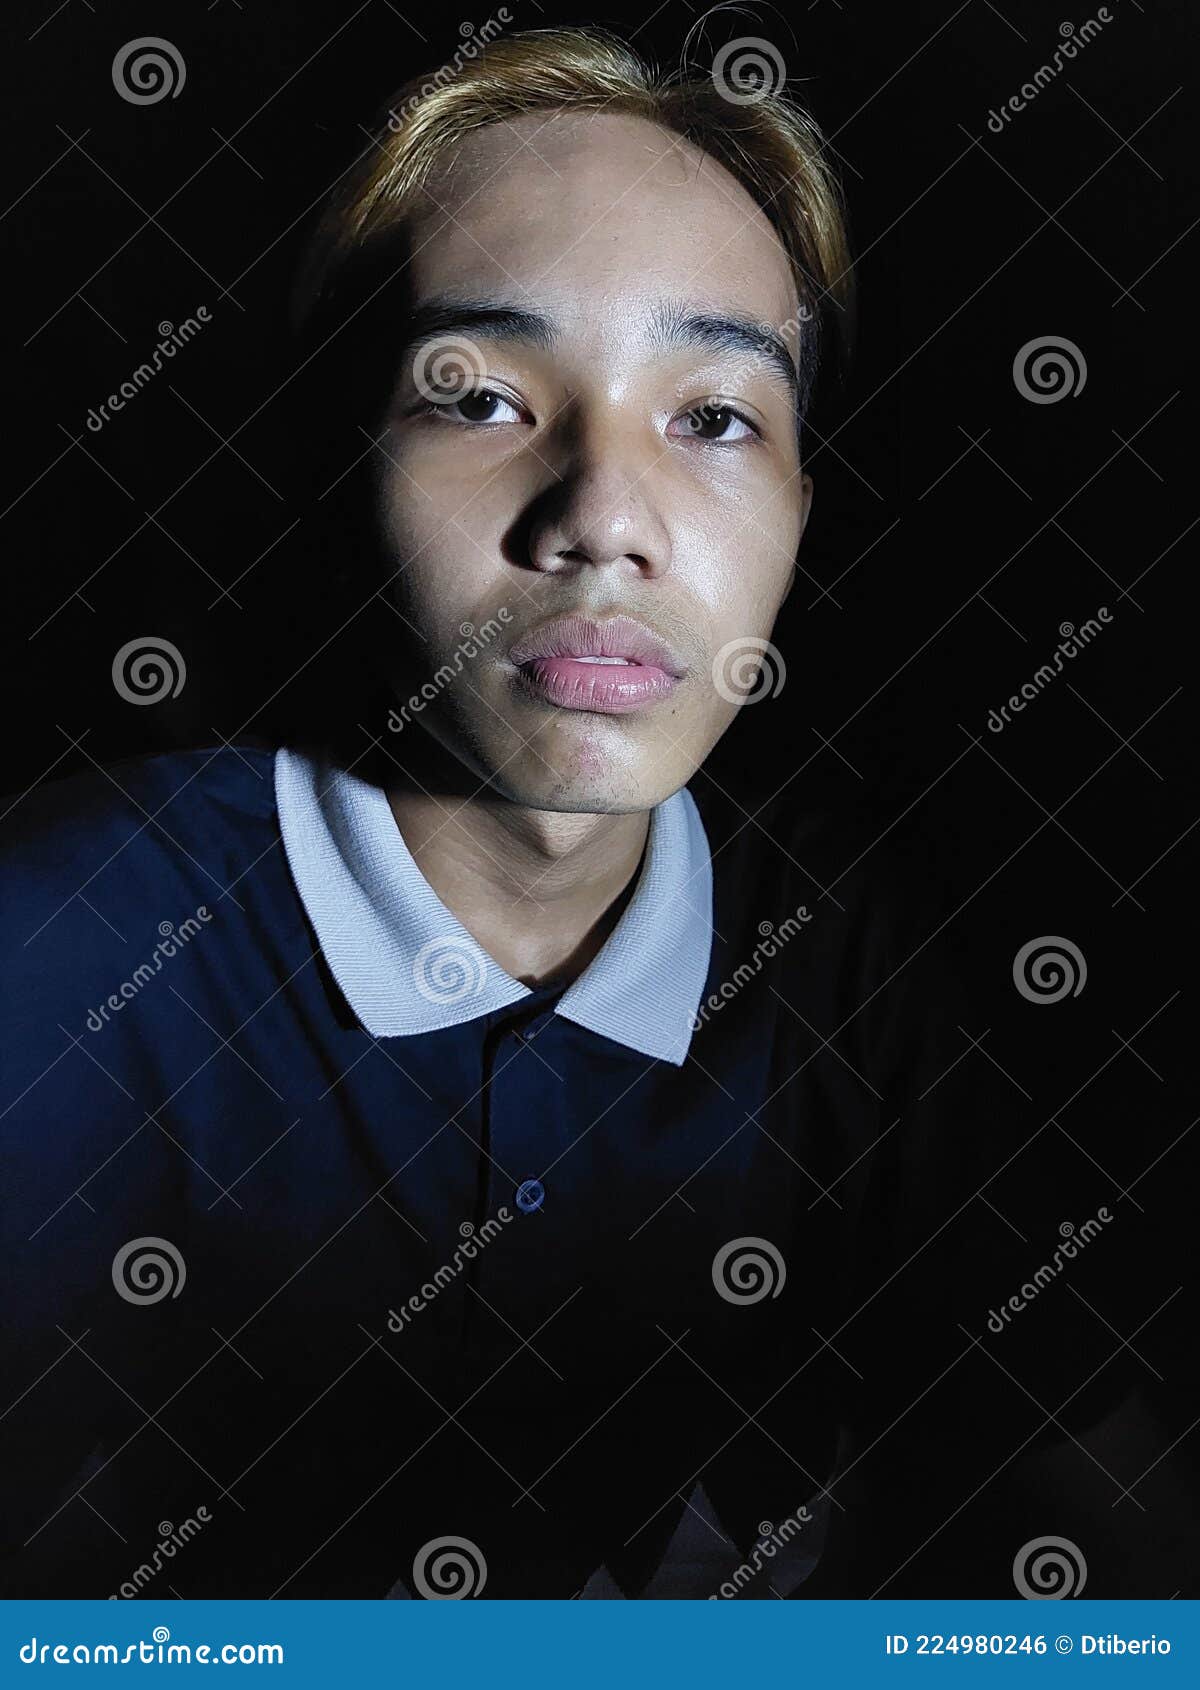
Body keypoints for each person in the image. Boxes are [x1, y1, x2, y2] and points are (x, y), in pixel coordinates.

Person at [0, 26, 1177, 1600]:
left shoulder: (862, 963)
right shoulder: (59, 954)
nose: (607, 518)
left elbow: (1112, 1517)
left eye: (713, 418)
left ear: (801, 513)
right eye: (480, 395)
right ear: (335, 463)